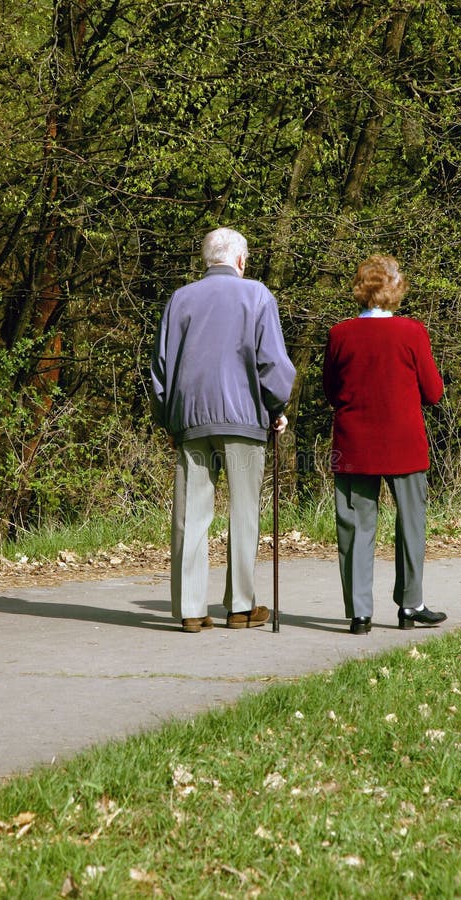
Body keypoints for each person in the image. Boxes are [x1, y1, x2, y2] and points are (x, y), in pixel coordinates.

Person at [150, 227, 296, 633]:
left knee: (190, 516)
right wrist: (276, 407)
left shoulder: (180, 299)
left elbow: (161, 369)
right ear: (241, 260)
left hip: (191, 419)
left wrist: (168, 419)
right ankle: (240, 606)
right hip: (244, 420)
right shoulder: (257, 295)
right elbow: (272, 363)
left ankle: (192, 609)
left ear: (206, 260)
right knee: (244, 513)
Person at [322, 254, 446, 635]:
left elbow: (330, 391)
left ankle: (360, 613)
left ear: (361, 290)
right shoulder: (412, 333)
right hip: (404, 443)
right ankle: (411, 605)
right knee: (411, 523)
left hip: (355, 443)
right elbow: (434, 392)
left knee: (356, 526)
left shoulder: (340, 335)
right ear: (395, 289)